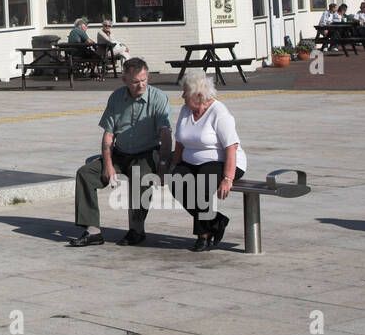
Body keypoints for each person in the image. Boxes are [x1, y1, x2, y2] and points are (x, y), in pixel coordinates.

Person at [68, 58, 172, 247]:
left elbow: (165, 135)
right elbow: (108, 135)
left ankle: (136, 230)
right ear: (125, 81)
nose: (141, 84)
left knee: (139, 176)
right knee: (85, 174)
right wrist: (108, 165)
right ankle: (93, 231)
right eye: (135, 81)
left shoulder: (159, 98)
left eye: (144, 80)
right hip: (120, 152)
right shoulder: (116, 97)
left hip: (147, 152)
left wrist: (163, 165)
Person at [170, 72, 247, 251]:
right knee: (177, 182)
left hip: (222, 161)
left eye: (185, 93)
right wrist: (175, 165)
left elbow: (231, 147)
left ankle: (203, 234)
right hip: (191, 161)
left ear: (198, 94)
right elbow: (180, 140)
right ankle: (215, 220)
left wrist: (228, 178)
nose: (182, 96)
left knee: (201, 186)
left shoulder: (219, 112)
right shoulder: (185, 110)